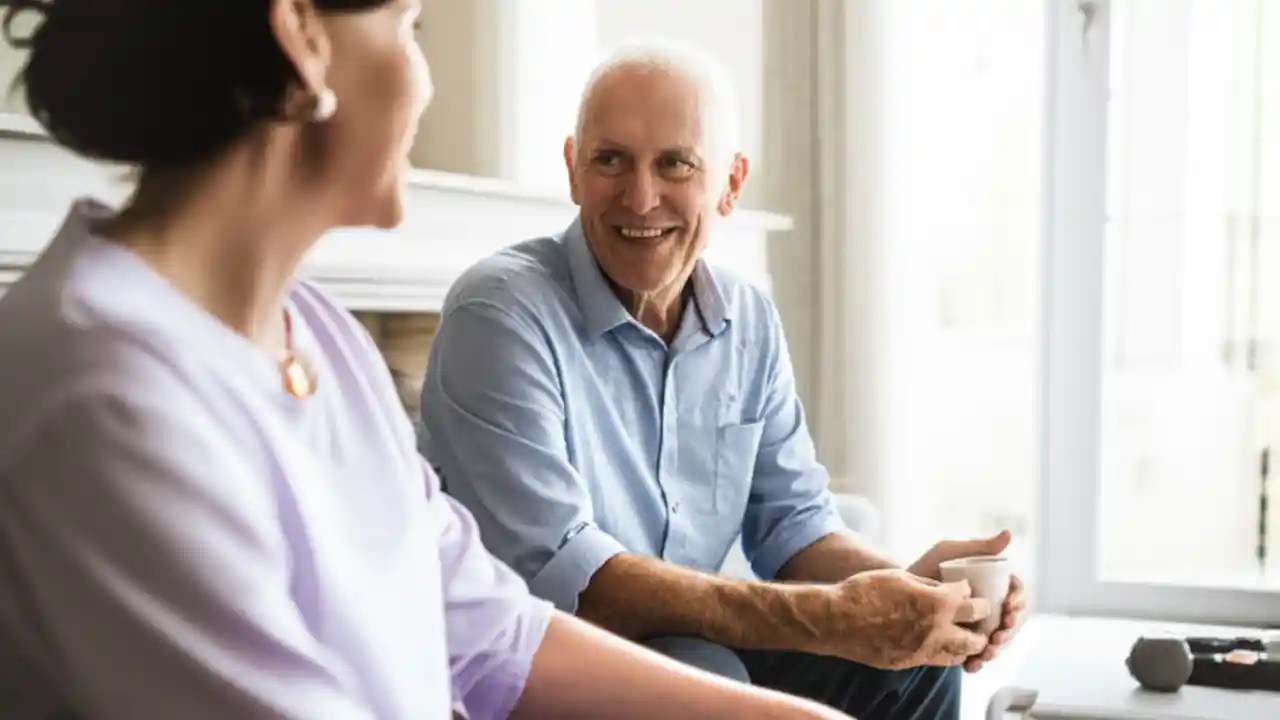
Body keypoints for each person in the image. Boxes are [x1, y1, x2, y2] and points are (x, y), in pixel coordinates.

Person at [0, 3, 850, 719]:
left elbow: (486, 632)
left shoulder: (319, 338)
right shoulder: (105, 391)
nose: (425, 79)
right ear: (303, 34)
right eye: (409, 24)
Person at [419, 40, 1028, 719]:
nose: (640, 197)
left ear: (731, 184)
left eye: (674, 163)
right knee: (708, 667)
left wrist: (910, 591)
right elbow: (571, 585)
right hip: (540, 662)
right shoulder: (500, 313)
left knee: (914, 671)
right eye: (610, 159)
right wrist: (832, 617)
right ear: (572, 167)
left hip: (689, 642)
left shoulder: (747, 319)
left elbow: (795, 527)